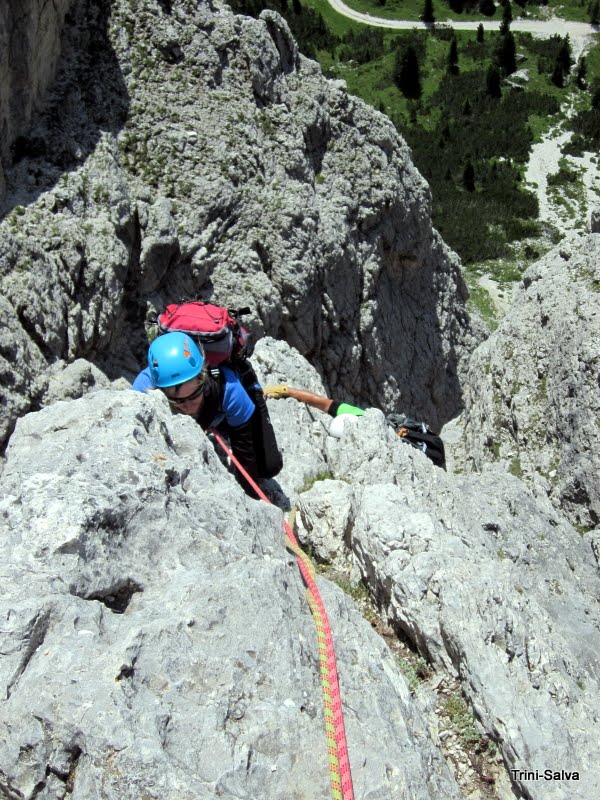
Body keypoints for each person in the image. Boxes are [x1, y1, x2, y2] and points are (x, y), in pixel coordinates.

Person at [133, 332, 282, 494]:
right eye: (179, 401)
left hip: (223, 408)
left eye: (194, 396)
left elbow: (245, 449)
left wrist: (248, 495)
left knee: (268, 467)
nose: (189, 407)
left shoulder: (230, 389)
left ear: (203, 377)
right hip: (209, 412)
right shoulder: (143, 391)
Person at [264, 384, 446, 468]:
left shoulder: (378, 448)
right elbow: (321, 402)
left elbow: (323, 403)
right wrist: (288, 391)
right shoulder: (358, 415)